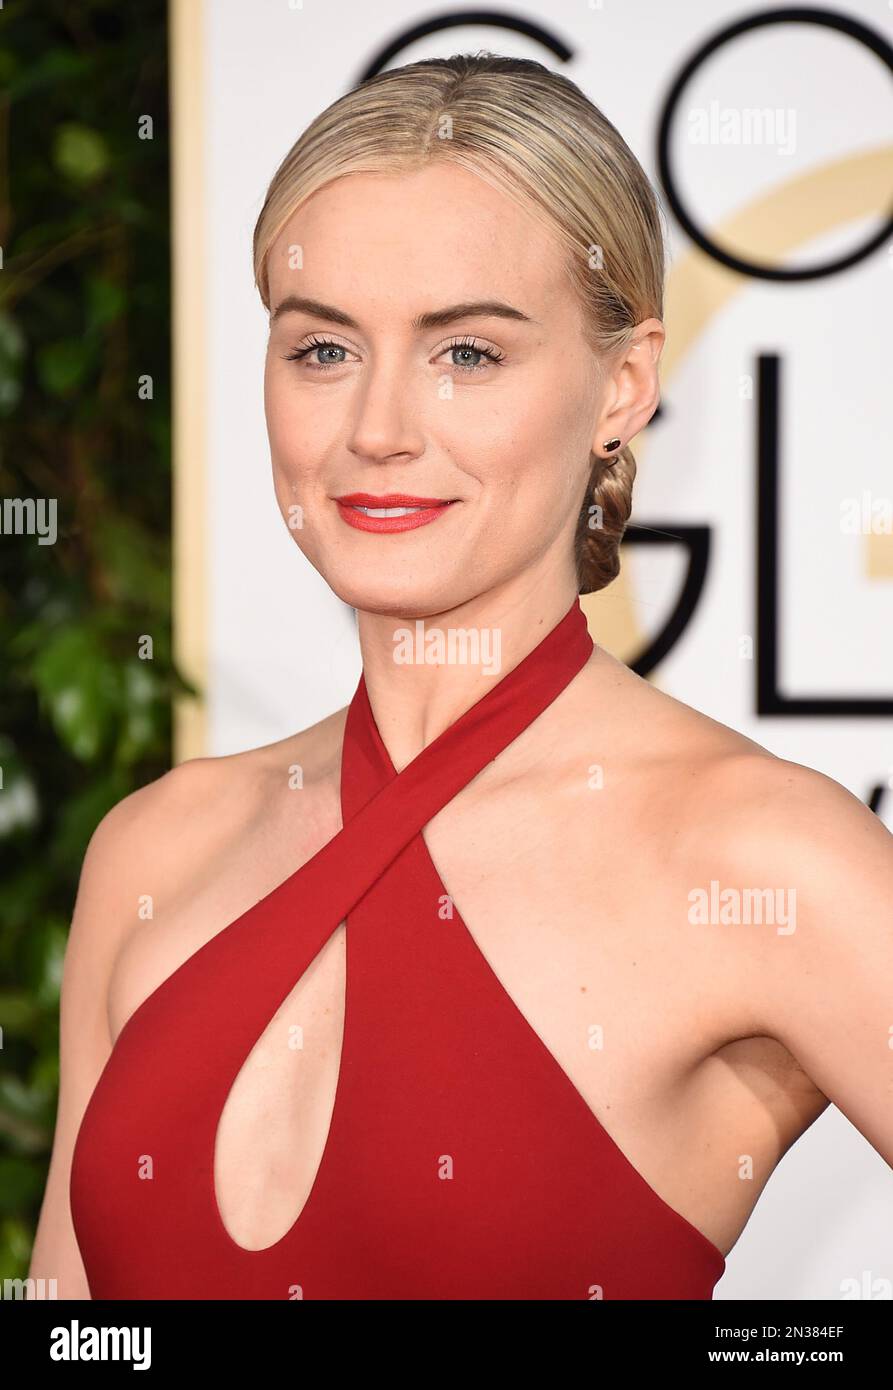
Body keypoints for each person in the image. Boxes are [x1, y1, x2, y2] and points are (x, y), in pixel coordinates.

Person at [30, 53, 893, 1300]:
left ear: (622, 384)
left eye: (467, 354)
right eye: (322, 350)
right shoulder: (153, 853)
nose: (378, 425)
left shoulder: (762, 858)